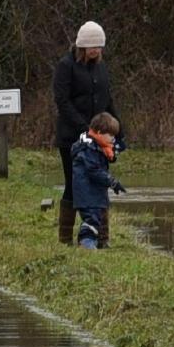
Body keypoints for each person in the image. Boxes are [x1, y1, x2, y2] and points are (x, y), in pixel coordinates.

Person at [51, 21, 115, 243]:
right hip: (71, 138)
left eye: (99, 46)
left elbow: (107, 99)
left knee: (99, 182)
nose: (96, 50)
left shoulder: (101, 68)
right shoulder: (66, 66)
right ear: (82, 46)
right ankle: (65, 236)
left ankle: (102, 237)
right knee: (73, 183)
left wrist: (117, 128)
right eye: (92, 46)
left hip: (99, 138)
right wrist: (83, 128)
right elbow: (62, 100)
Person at [68, 112, 128, 248]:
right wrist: (111, 181)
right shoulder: (89, 149)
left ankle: (100, 242)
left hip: (94, 193)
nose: (113, 139)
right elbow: (94, 170)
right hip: (87, 193)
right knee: (92, 219)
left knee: (98, 217)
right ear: (100, 133)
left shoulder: (98, 146)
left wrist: (115, 151)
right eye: (111, 136)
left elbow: (109, 158)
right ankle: (86, 243)